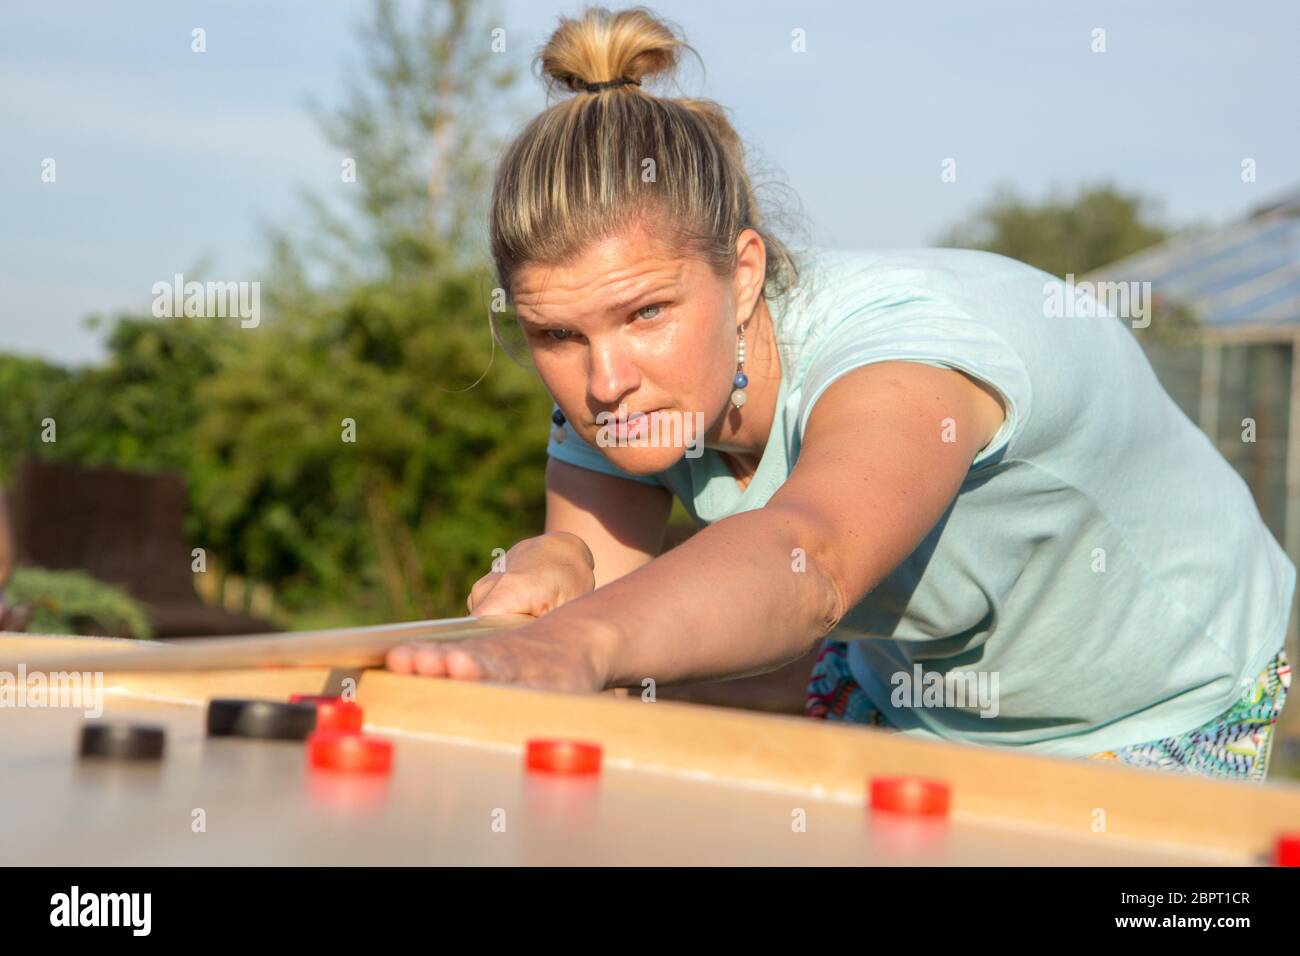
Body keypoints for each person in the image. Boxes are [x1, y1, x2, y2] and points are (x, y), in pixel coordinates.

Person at [387, 7, 1294, 781]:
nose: (606, 380)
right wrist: (557, 569)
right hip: (913, 700)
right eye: (556, 335)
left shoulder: (908, 358)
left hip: (1160, 705)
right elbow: (607, 615)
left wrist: (576, 639)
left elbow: (807, 563)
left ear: (742, 276)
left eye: (647, 312)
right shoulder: (622, 385)